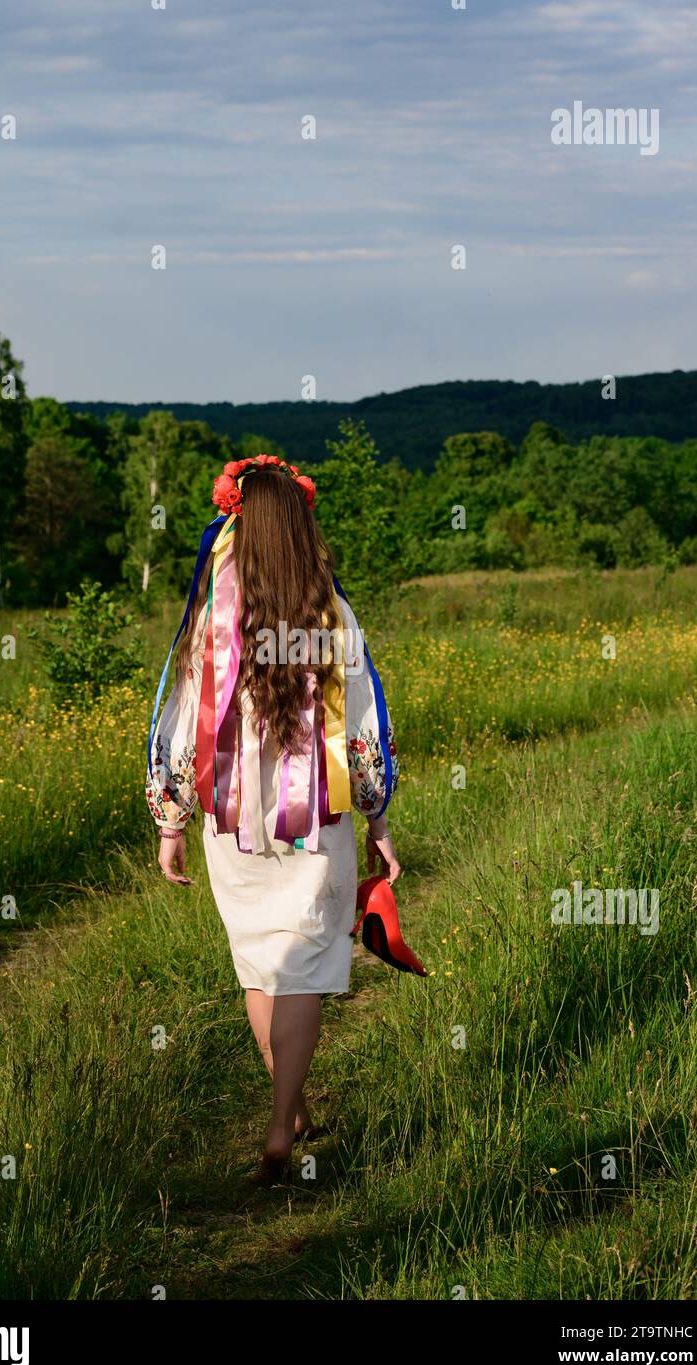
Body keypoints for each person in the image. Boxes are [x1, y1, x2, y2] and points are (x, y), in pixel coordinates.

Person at [145, 455, 400, 1184]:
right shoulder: (332, 615)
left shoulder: (209, 620)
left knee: (263, 962)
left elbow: (179, 720)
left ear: (237, 527)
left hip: (232, 826)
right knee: (300, 968)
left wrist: (170, 821)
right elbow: (362, 732)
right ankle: (283, 1124)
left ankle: (288, 1113)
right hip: (315, 825)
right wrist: (378, 821)